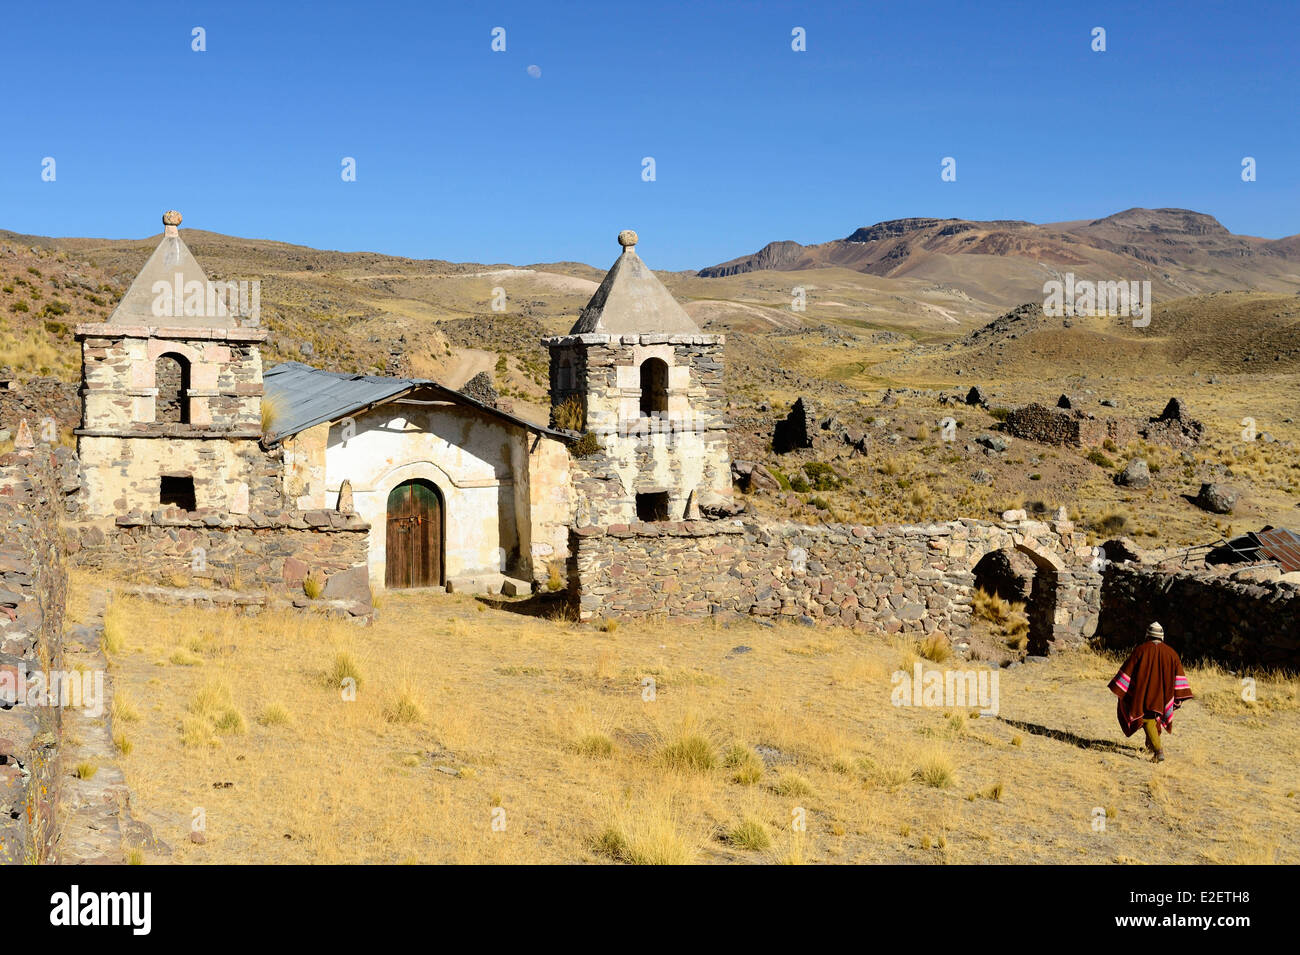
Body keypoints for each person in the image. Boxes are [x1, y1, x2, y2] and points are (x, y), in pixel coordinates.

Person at [1107, 622, 1193, 761]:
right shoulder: (1172, 653)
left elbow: (1128, 671)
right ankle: (1150, 745)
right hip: (1163, 695)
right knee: (1153, 717)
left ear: (1148, 635)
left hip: (1144, 693)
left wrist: (1123, 688)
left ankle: (1158, 751)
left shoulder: (1140, 650)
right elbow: (1179, 678)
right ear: (1161, 636)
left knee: (1146, 718)